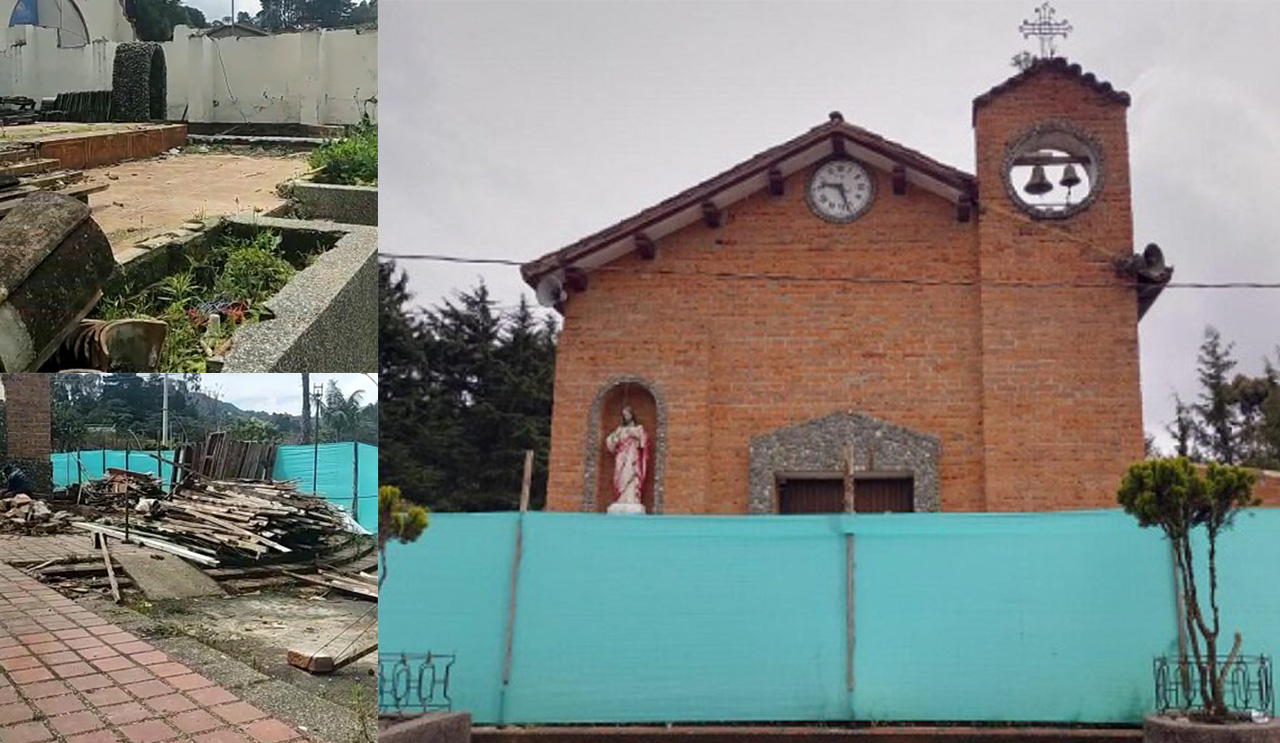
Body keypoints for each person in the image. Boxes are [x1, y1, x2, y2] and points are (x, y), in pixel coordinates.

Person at [605, 406, 648, 509]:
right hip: (621, 455)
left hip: (632, 455)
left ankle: (632, 498)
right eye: (624, 415)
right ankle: (621, 498)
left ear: (632, 415)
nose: (626, 416)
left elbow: (643, 441)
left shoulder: (638, 428)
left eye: (628, 414)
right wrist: (613, 439)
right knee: (621, 476)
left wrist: (634, 433)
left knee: (632, 474)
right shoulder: (620, 429)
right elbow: (612, 442)